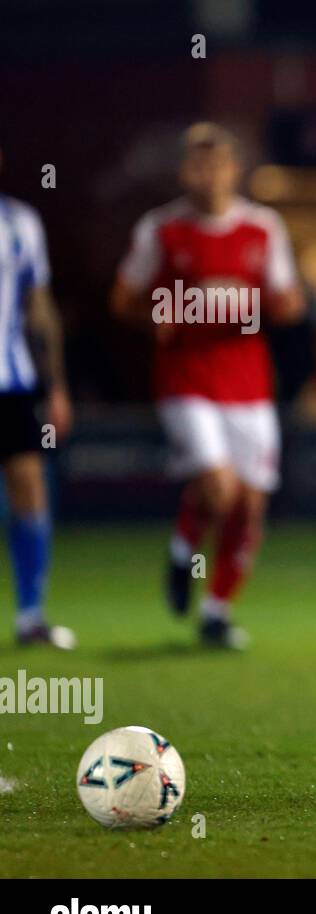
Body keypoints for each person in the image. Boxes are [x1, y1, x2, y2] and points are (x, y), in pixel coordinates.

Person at [110, 123, 305, 649]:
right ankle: (183, 549)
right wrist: (158, 314)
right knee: (218, 486)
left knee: (250, 503)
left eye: (216, 163)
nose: (207, 174)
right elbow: (124, 297)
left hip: (248, 383)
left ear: (234, 169)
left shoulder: (262, 228)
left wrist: (248, 304)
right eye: (197, 164)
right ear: (183, 171)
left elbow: (290, 303)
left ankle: (216, 611)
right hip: (186, 380)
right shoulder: (163, 230)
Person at [0, 150, 76, 650]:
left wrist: (56, 387)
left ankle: (31, 614)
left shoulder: (20, 221)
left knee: (28, 485)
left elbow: (39, 309)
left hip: (12, 383)